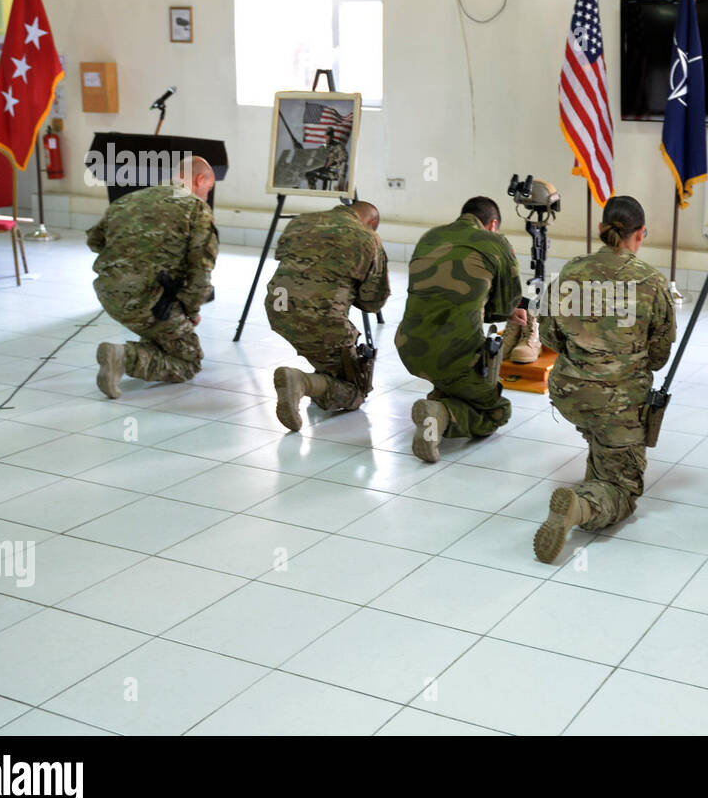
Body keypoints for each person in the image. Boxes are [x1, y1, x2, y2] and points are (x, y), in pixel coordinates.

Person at [532, 197, 676, 563]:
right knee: (623, 489)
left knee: (601, 428)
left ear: (601, 229)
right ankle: (581, 507)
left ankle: (601, 460)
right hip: (619, 403)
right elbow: (658, 356)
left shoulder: (570, 272)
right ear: (641, 233)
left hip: (569, 392)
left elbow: (549, 336)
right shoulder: (652, 281)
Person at [396, 196, 525, 462]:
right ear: (492, 224)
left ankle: (441, 400)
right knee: (498, 411)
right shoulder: (496, 243)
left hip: (410, 351)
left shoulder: (429, 237)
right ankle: (441, 416)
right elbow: (505, 305)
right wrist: (508, 312)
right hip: (457, 355)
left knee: (452, 382)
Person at [87, 156, 218, 398]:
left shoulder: (128, 200)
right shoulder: (196, 209)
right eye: (207, 190)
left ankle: (148, 343)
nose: (206, 196)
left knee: (164, 334)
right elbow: (201, 272)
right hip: (152, 301)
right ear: (200, 180)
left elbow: (94, 241)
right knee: (189, 361)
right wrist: (191, 312)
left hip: (109, 294)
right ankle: (124, 358)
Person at [266, 201, 389, 431]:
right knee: (355, 392)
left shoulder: (299, 221)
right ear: (372, 223)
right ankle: (301, 382)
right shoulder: (367, 238)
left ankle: (321, 376)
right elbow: (373, 301)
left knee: (326, 351)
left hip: (278, 309)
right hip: (322, 322)